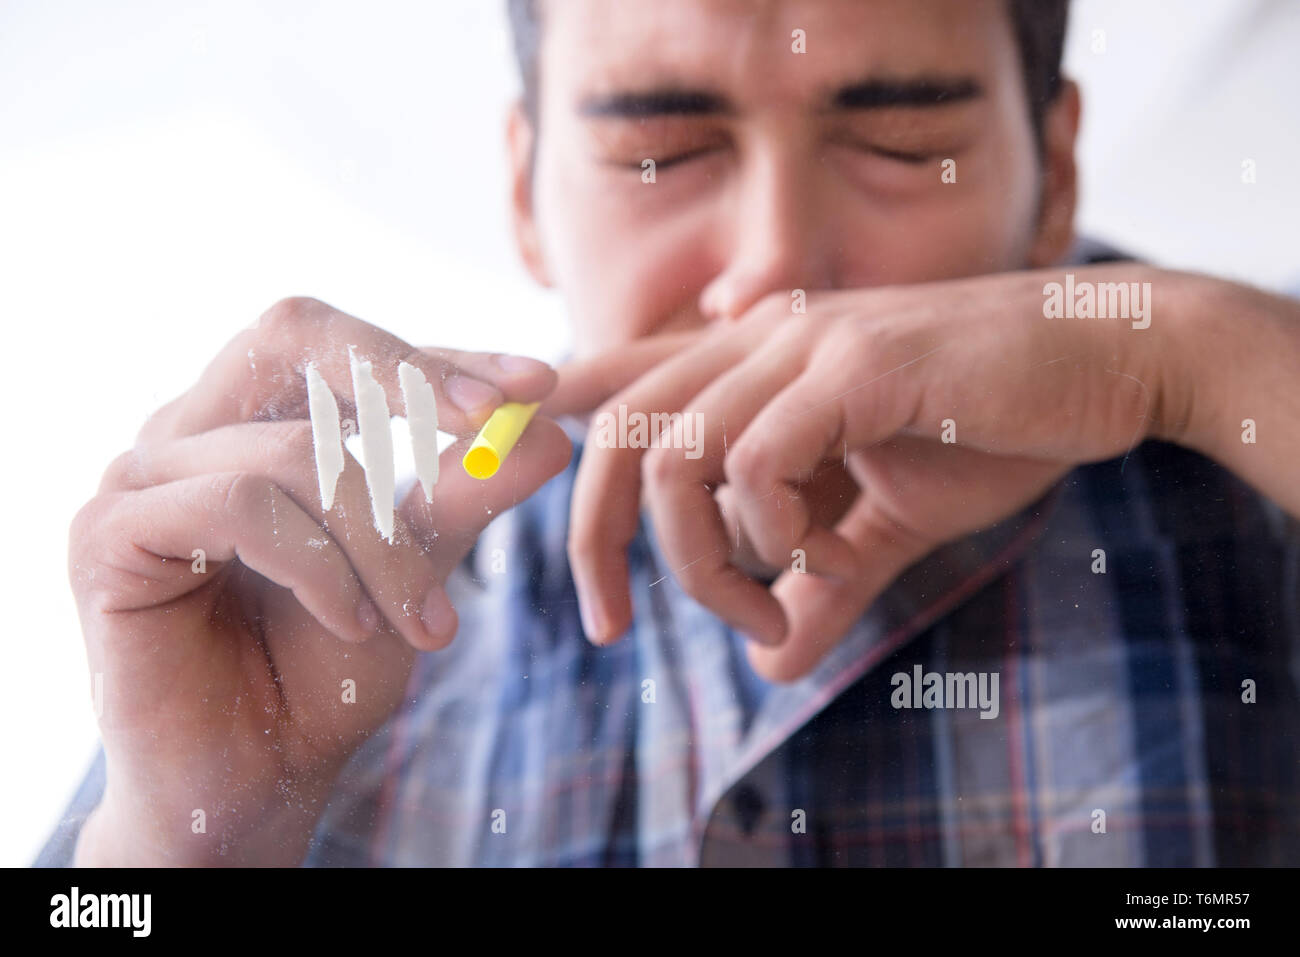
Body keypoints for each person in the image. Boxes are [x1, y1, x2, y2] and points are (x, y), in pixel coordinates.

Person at [39, 0, 1300, 867]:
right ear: (527, 195)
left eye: (902, 145)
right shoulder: (324, 608)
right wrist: (177, 842)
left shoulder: (1247, 457)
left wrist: (1192, 353)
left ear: (1055, 177)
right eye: (660, 154)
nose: (772, 270)